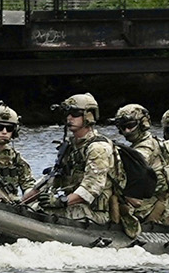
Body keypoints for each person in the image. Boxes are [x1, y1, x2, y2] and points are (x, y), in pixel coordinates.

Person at [39, 92, 122, 226]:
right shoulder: (71, 146)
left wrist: (60, 201)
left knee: (44, 213)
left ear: (88, 116)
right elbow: (54, 177)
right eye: (67, 114)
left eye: (75, 114)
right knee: (35, 207)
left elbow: (91, 188)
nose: (69, 118)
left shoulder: (98, 148)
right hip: (73, 204)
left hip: (95, 212)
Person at [114, 102, 169, 225]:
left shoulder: (145, 149)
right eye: (122, 127)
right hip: (163, 204)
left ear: (143, 124)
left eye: (130, 126)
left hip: (151, 208)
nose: (126, 131)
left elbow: (131, 172)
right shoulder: (159, 142)